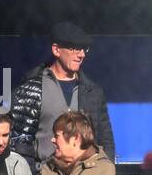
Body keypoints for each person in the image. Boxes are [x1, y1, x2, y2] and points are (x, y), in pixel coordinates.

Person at [10, 22, 115, 166]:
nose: (81, 54)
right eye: (74, 49)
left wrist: (104, 172)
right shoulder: (31, 88)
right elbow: (20, 140)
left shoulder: (93, 92)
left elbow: (105, 139)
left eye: (84, 49)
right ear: (56, 50)